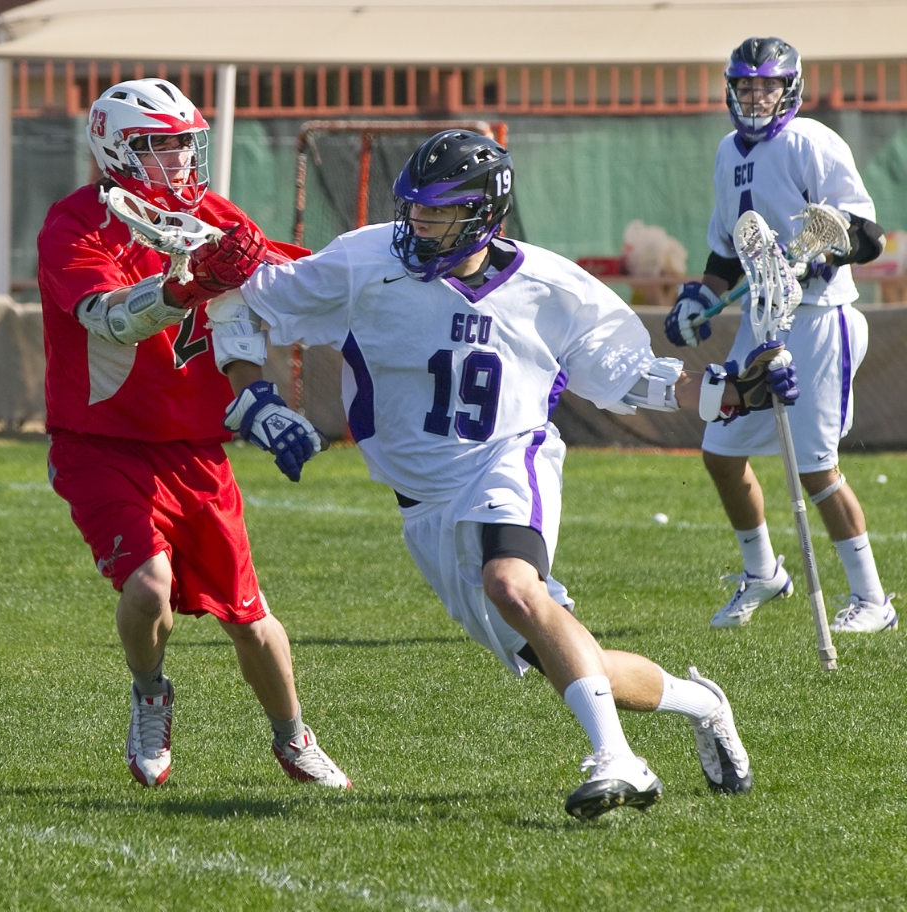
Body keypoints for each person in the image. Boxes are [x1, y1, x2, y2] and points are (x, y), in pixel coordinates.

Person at [211, 130, 800, 820]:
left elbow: (629, 379)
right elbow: (245, 300)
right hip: (423, 505)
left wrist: (725, 392)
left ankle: (619, 762)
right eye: (415, 209)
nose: (419, 224)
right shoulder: (366, 259)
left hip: (505, 456)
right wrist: (251, 394)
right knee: (572, 657)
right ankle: (702, 703)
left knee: (512, 584)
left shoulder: (554, 289)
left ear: (484, 213)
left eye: (438, 212)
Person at [37, 78, 349, 790]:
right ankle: (151, 693)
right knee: (149, 586)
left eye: (185, 144)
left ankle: (293, 735)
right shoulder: (75, 224)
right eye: (160, 146)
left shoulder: (212, 214)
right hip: (100, 441)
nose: (179, 160)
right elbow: (109, 317)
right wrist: (183, 289)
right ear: (117, 148)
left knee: (249, 616)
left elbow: (278, 275)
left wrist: (372, 275)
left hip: (196, 447)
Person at [665, 37, 894, 634]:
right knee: (719, 451)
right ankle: (763, 572)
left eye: (766, 85)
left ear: (788, 88)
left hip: (821, 319)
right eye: (746, 86)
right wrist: (701, 297)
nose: (756, 96)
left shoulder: (811, 141)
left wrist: (826, 256)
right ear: (731, 90)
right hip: (764, 318)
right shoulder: (726, 152)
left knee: (815, 468)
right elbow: (725, 253)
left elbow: (869, 235)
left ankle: (873, 601)